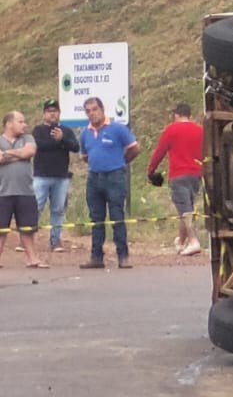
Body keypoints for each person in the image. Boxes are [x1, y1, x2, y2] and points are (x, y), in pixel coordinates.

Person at [79, 96, 140, 270]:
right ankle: (96, 257)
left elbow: (134, 148)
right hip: (94, 178)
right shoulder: (85, 133)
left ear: (102, 109)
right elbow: (84, 156)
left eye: (94, 109)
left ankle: (123, 256)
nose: (92, 113)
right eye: (88, 111)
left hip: (114, 177)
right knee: (96, 219)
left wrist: (121, 162)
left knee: (117, 216)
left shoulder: (117, 128)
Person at [148, 101, 204, 256]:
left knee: (185, 209)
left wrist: (151, 170)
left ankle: (193, 241)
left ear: (177, 115)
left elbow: (159, 152)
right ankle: (181, 241)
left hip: (178, 174)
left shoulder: (171, 129)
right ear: (190, 115)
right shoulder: (200, 130)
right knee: (187, 207)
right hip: (196, 174)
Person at [31, 99, 79, 253]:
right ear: (44, 114)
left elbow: (75, 147)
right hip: (41, 176)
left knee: (58, 209)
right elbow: (41, 145)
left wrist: (62, 139)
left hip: (61, 176)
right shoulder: (38, 130)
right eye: (49, 111)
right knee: (35, 208)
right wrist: (59, 143)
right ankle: (27, 239)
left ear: (59, 113)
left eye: (55, 111)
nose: (52, 114)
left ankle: (55, 240)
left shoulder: (66, 130)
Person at [0, 110, 46, 268]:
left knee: (27, 229)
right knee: (1, 230)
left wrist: (7, 154)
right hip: (2, 192)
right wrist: (18, 155)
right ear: (9, 124)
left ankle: (32, 259)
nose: (24, 125)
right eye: (20, 122)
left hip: (26, 192)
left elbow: (29, 152)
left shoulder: (28, 138)